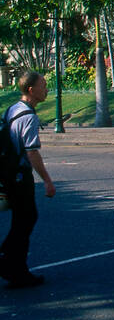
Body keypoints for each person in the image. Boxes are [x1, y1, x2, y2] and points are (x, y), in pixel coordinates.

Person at [0, 72, 55, 289]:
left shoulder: (13, 109)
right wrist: (48, 181)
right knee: (26, 219)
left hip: (8, 172)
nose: (46, 89)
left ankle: (13, 265)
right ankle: (13, 267)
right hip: (20, 176)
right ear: (31, 90)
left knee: (23, 219)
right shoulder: (29, 117)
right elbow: (32, 153)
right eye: (43, 85)